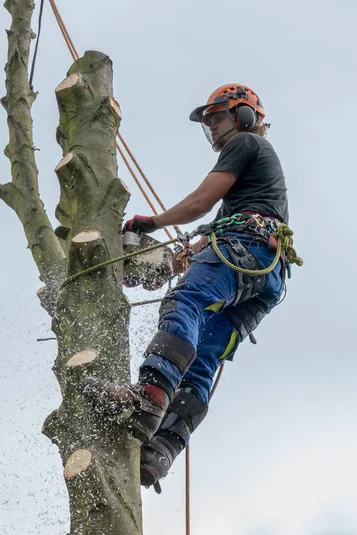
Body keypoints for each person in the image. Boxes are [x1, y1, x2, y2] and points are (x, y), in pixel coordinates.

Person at [83, 83, 290, 488]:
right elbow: (208, 237)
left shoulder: (246, 144)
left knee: (184, 299)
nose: (212, 128)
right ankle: (160, 450)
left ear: (244, 116)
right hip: (267, 275)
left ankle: (150, 395)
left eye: (217, 117)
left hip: (246, 249)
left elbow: (200, 203)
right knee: (203, 357)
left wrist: (151, 223)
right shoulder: (256, 182)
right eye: (208, 122)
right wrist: (170, 261)